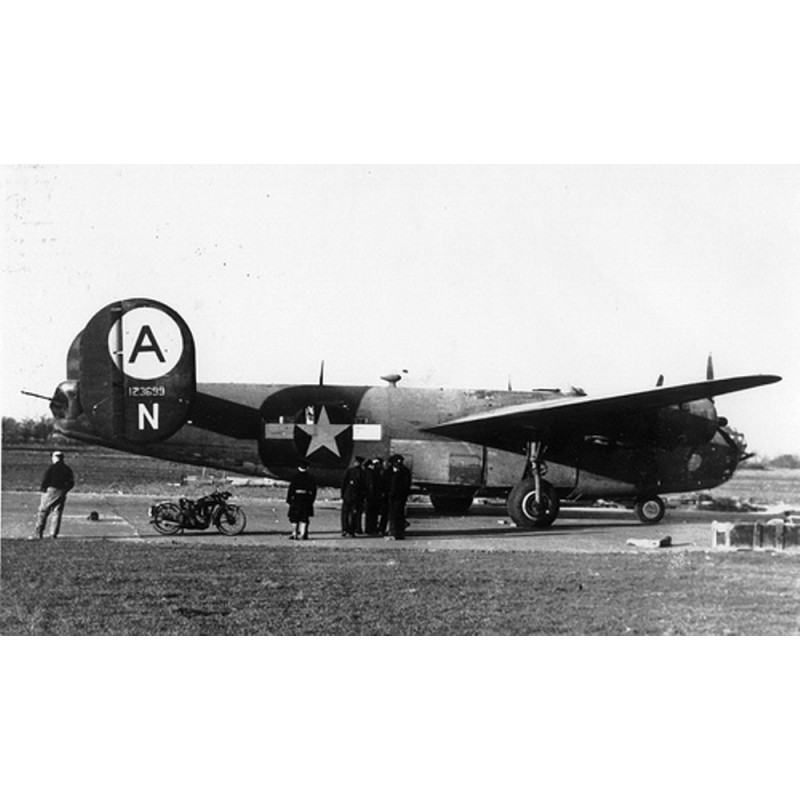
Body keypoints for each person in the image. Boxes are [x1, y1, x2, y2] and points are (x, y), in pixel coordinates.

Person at [33, 451, 75, 539]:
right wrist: (65, 490)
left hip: (51, 490)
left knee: (43, 511)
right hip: (62, 491)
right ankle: (53, 533)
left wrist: (43, 488)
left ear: (55, 458)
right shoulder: (67, 469)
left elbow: (46, 479)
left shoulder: (52, 468)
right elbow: (71, 482)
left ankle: (38, 532)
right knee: (57, 512)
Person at [286, 461, 317, 540]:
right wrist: (311, 500)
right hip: (306, 498)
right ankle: (303, 534)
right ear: (307, 468)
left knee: (294, 517)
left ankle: (294, 533)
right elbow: (314, 490)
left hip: (296, 498)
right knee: (304, 517)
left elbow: (291, 489)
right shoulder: (311, 477)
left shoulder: (295, 477)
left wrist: (289, 500)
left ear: (298, 468)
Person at [385, 454, 412, 540]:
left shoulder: (405, 472)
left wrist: (405, 494)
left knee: (399, 514)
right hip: (390, 496)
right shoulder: (388, 472)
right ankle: (392, 531)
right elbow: (385, 483)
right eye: (396, 462)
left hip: (400, 496)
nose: (398, 464)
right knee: (392, 514)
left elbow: (407, 484)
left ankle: (399, 532)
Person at [340, 457, 365, 537]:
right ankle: (351, 530)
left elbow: (344, 484)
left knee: (347, 514)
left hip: (349, 495)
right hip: (355, 496)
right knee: (353, 513)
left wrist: (343, 495)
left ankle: (346, 529)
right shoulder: (362, 472)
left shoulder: (350, 471)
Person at [363, 458, 384, 536]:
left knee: (373, 513)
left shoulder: (375, 473)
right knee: (371, 513)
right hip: (372, 496)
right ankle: (370, 529)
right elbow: (371, 485)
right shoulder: (372, 473)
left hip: (373, 496)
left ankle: (371, 528)